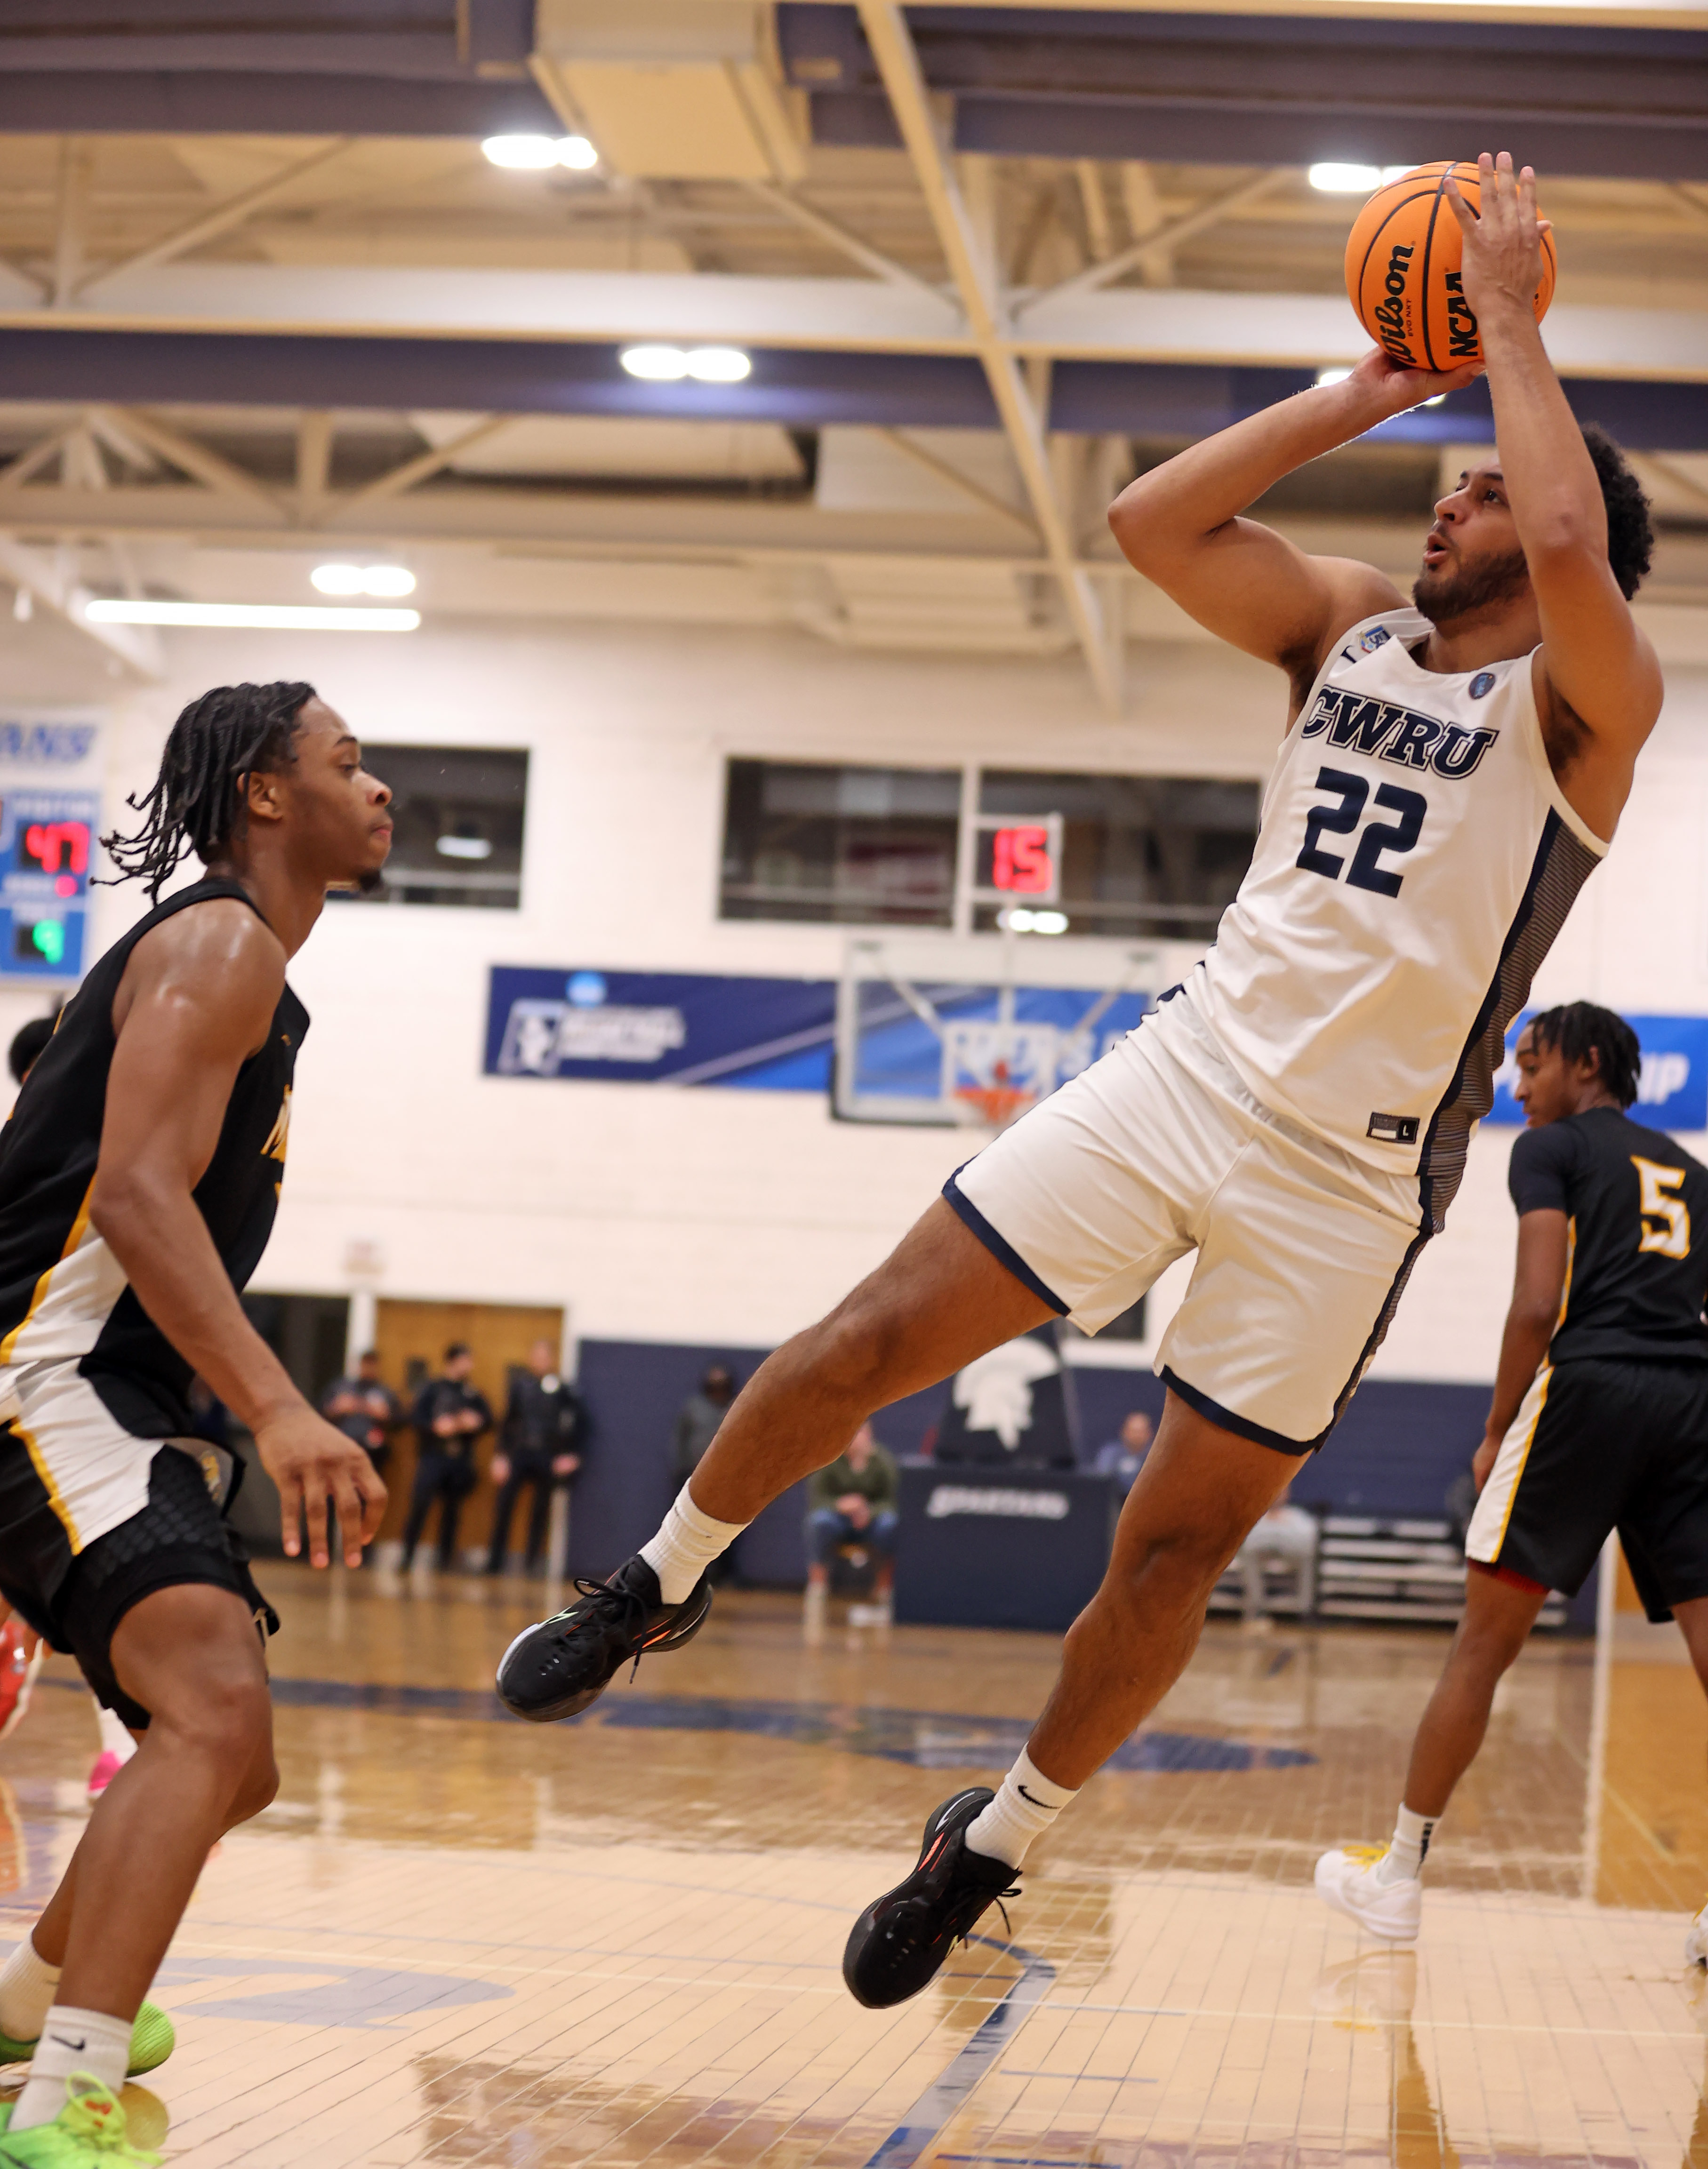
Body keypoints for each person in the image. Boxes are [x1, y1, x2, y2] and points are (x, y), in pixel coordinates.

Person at [497, 156, 1663, 2014]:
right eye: (1443, 478)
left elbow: (1575, 547)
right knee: (866, 1337)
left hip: (1347, 1185)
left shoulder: (1585, 708)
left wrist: (1511, 323)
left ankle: (997, 1836)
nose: (1443, 497)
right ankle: (658, 1577)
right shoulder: (1345, 624)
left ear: (1534, 519)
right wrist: (1363, 388)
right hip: (1179, 1073)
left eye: (1474, 485)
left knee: (1172, 1545)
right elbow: (1146, 518)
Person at [0, 678, 389, 2159]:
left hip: (102, 1386)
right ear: (266, 795)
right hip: (39, 1369)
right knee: (212, 1709)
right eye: (346, 762)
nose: (379, 787)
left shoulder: (246, 967)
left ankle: (29, 2006)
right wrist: (280, 1410)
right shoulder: (218, 941)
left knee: (238, 1753)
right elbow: (134, 1196)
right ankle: (66, 2095)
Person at [1316, 1004, 1708, 1950]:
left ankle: (1396, 1879)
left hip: (1586, 1391)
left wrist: (1495, 1427)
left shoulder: (1550, 1149)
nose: (1516, 1088)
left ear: (1585, 1064)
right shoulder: (1693, 1174)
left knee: (1480, 1648)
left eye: (1531, 1066)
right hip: (1690, 1401)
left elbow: (1536, 1303)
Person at [486, 1339, 583, 1577]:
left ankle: (532, 1563)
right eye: (536, 1356)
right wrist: (501, 1456)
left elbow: (578, 1423)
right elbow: (507, 1422)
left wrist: (571, 1455)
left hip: (547, 1455)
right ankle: (495, 1562)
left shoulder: (562, 1389)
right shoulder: (520, 1386)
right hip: (519, 1453)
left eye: (545, 1356)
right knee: (504, 1505)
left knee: (541, 1510)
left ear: (551, 1360)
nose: (540, 1361)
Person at [400, 1345, 490, 1575]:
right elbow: (416, 1418)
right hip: (434, 1456)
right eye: (466, 1360)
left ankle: (445, 1560)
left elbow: (489, 1420)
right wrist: (435, 1427)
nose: (470, 1365)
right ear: (454, 1361)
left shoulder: (471, 1392)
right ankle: (407, 1557)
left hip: (459, 1458)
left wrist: (476, 1422)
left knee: (452, 1511)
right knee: (420, 1505)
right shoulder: (433, 1388)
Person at [803, 1424, 899, 1634]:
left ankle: (884, 1589)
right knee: (820, 1522)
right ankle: (818, 1587)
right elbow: (817, 1500)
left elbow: (891, 1501)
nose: (858, 1439)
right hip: (839, 1520)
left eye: (862, 1433)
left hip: (871, 1523)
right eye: (854, 1433)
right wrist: (841, 1505)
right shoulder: (830, 1458)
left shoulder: (882, 1461)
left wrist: (869, 1511)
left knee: (890, 1524)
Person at [1233, 1481, 1319, 1628]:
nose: (1278, 1496)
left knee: (1308, 1558)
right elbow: (1248, 1541)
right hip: (1261, 1554)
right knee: (1248, 1556)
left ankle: (1306, 1610)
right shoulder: (1256, 1516)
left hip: (1290, 1554)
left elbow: (1309, 1539)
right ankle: (1257, 1609)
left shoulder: (1296, 1516)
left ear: (1287, 1495)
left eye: (1282, 1492)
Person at [321, 1352, 403, 1481]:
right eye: (366, 1364)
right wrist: (336, 1409)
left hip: (372, 1450)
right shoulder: (341, 1387)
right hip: (342, 1446)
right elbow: (319, 1412)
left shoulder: (386, 1392)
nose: (369, 1369)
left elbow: (400, 1421)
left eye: (372, 1365)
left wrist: (385, 1415)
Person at [671, 1364, 734, 1483]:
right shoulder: (694, 1408)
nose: (718, 1391)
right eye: (714, 1386)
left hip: (728, 1475)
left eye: (722, 1386)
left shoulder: (736, 1408)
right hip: (694, 1475)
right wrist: (680, 1470)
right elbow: (679, 1439)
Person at [1091, 1411, 1153, 1493]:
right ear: (1124, 1432)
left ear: (1149, 1434)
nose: (1137, 1436)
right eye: (1134, 1431)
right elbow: (1102, 1479)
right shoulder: (1110, 1453)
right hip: (1115, 1498)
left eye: (1141, 1432)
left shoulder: (1156, 1456)